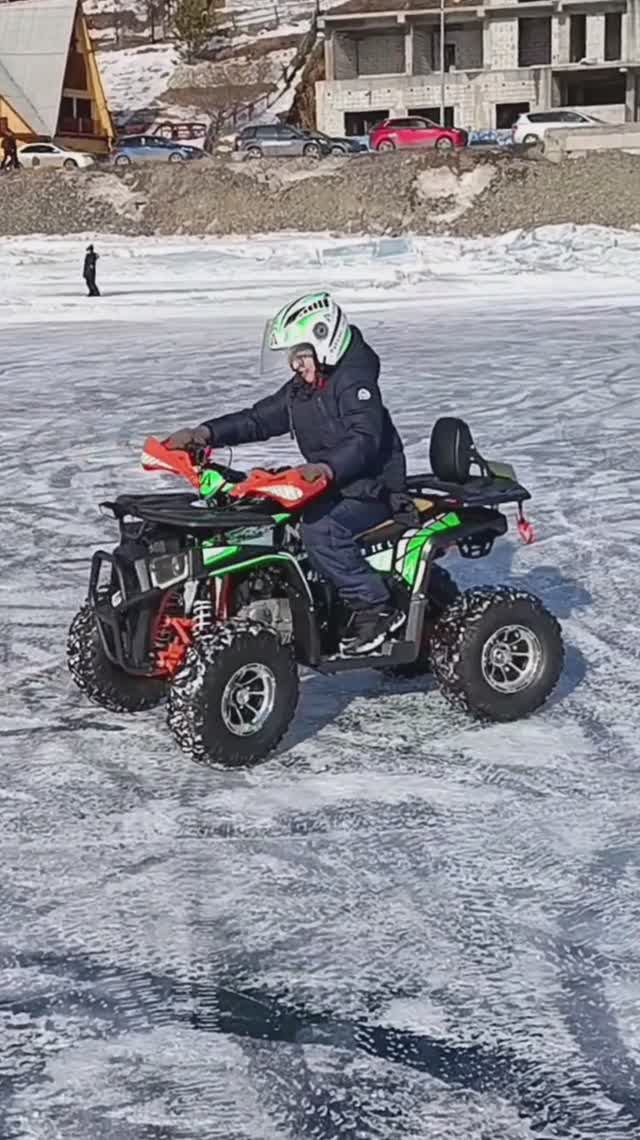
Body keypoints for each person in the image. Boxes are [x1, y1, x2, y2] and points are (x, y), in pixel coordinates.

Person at [164, 292, 409, 655]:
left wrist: (327, 467)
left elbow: (365, 439)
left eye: (300, 355)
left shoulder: (354, 382)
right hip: (330, 484)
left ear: (327, 341)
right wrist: (205, 433)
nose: (295, 365)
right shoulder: (304, 388)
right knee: (265, 515)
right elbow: (259, 418)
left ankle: (375, 606)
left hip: (372, 489)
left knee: (321, 530)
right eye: (292, 357)